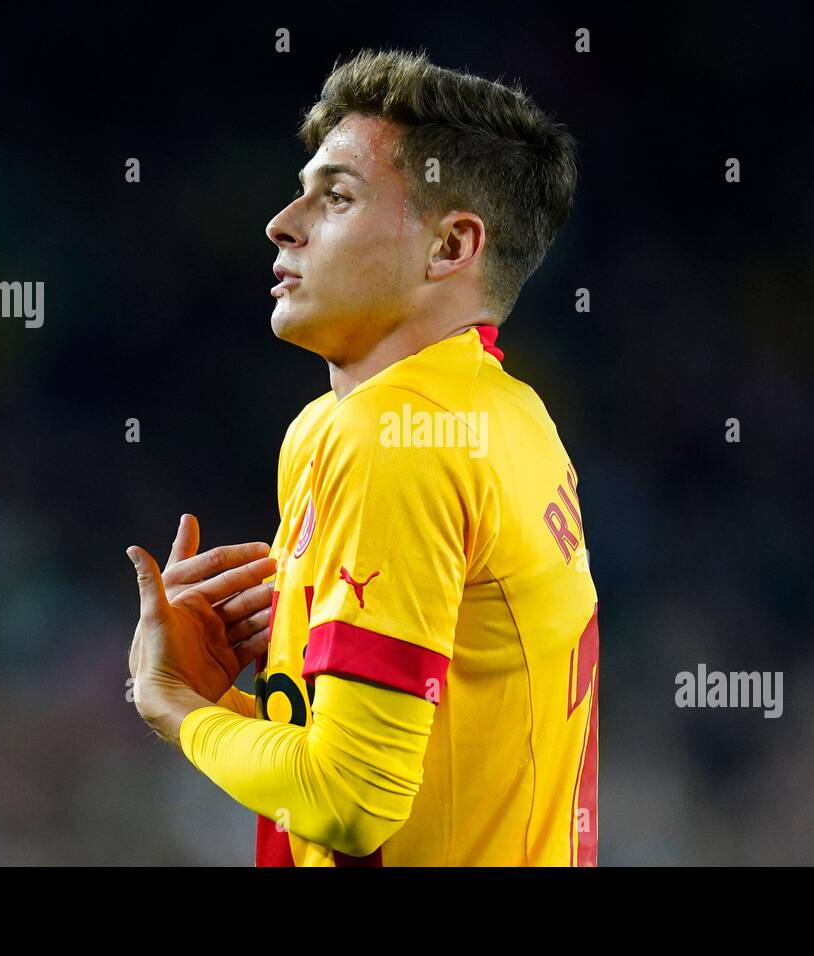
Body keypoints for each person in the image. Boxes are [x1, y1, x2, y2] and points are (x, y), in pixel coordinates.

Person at [126, 48, 598, 866]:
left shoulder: (394, 437)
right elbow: (352, 776)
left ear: (450, 247)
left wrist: (172, 706)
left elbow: (350, 804)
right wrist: (224, 703)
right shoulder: (507, 416)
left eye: (336, 196)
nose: (284, 222)